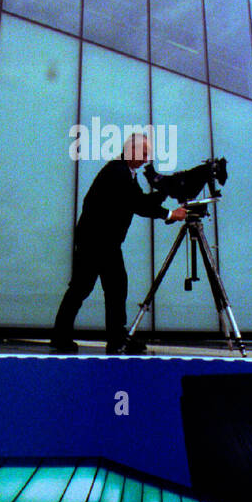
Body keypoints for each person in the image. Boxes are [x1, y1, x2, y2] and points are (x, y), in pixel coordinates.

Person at [51, 132, 186, 354]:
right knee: (93, 288)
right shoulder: (118, 172)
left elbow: (140, 201)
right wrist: (171, 214)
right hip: (97, 242)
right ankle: (108, 338)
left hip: (102, 241)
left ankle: (103, 337)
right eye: (144, 153)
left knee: (103, 288)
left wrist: (164, 191)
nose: (146, 159)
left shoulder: (124, 172)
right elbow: (138, 204)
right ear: (131, 150)